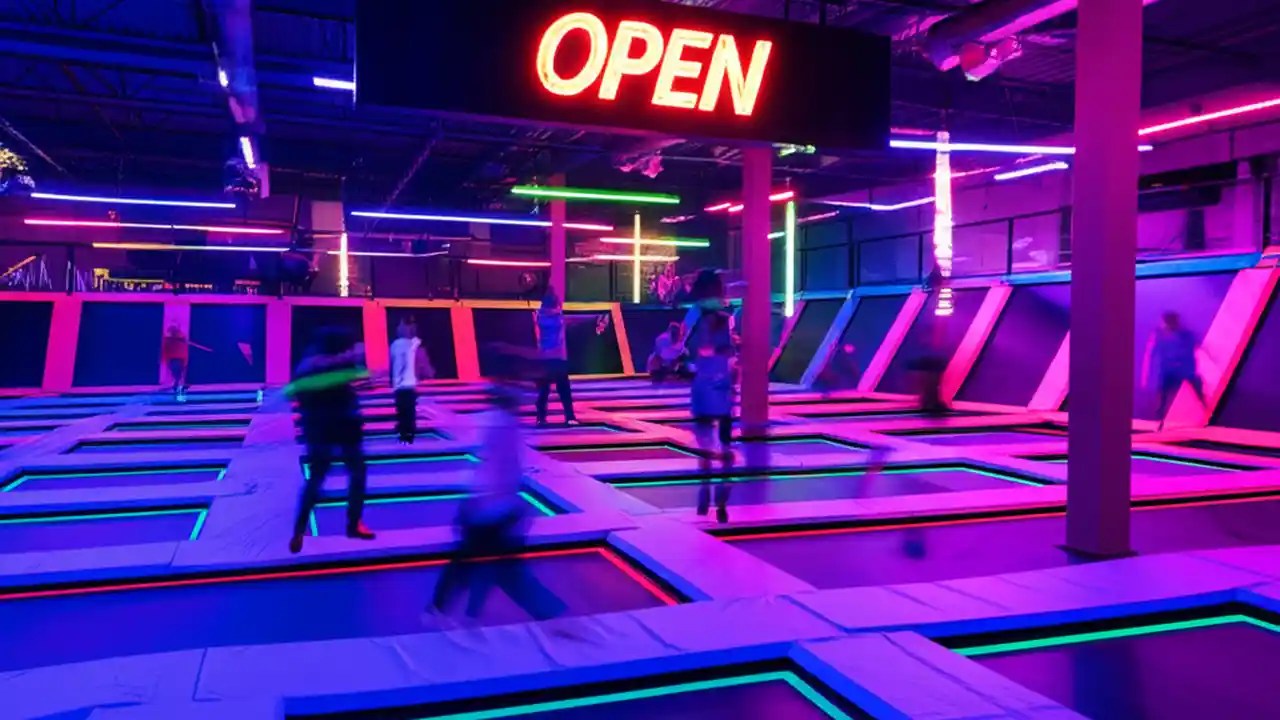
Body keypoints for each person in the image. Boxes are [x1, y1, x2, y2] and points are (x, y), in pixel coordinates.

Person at [426, 369, 567, 626]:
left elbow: (459, 427)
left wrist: (429, 406)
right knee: (494, 569)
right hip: (494, 509)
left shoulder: (497, 422)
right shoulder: (506, 424)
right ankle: (457, 613)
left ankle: (450, 612)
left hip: (487, 508)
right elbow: (506, 470)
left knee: (477, 565)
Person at [286, 327, 376, 554]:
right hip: (341, 425)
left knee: (317, 479)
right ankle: (353, 523)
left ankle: (299, 529)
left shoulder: (307, 365)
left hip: (320, 427)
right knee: (356, 472)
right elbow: (362, 376)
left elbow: (295, 394)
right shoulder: (337, 362)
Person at [684, 270, 736, 523]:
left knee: (704, 444)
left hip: (703, 386)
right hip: (722, 385)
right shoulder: (727, 315)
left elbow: (685, 344)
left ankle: (704, 488)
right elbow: (731, 351)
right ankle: (722, 500)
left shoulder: (694, 313)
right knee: (726, 446)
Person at [533, 288, 609, 426]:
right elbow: (573, 319)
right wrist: (595, 317)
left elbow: (571, 319)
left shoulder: (543, 317)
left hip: (546, 359)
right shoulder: (556, 318)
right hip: (556, 359)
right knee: (562, 390)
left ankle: (542, 418)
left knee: (546, 390)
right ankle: (568, 417)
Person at [1144, 311, 1208, 425]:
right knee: (1162, 397)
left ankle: (1207, 413)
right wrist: (1147, 374)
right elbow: (1152, 352)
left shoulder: (1185, 334)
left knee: (1198, 392)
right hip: (1170, 371)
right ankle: (1158, 421)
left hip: (1185, 370)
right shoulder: (1159, 334)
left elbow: (1197, 345)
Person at [389, 319, 435, 444]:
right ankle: (406, 433)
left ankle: (406, 433)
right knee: (406, 410)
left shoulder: (409, 345)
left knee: (406, 410)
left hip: (405, 384)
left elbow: (419, 364)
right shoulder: (399, 345)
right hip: (403, 384)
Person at [161, 325, 190, 394]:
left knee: (179, 375)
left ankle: (178, 390)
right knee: (177, 375)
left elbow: (184, 350)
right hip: (174, 359)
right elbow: (165, 350)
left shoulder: (181, 340)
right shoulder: (168, 340)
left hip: (178, 358)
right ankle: (178, 389)